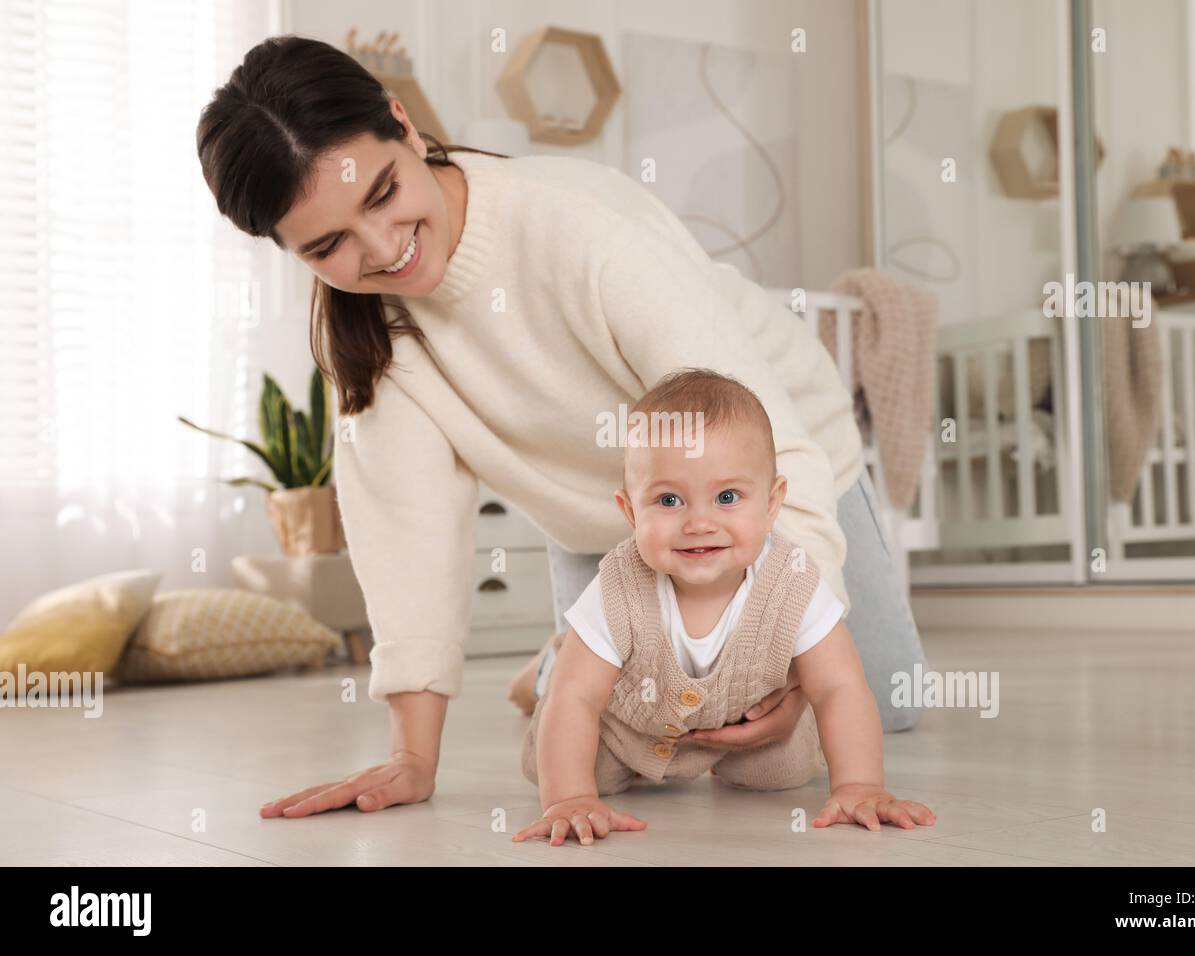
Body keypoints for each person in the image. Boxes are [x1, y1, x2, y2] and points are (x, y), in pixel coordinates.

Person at [194, 35, 928, 819]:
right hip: (607, 521)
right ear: (291, 252)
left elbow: (767, 436)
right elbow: (408, 537)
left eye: (382, 194)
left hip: (767, 466)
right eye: (328, 245)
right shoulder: (370, 343)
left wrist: (783, 666)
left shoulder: (582, 225)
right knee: (623, 727)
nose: (382, 250)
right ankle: (569, 659)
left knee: (878, 699)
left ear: (405, 128)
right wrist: (412, 756)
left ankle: (573, 653)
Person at [514, 370, 936, 846]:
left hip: (737, 725)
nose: (699, 523)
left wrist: (859, 785)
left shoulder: (791, 580)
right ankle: (554, 662)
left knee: (785, 768)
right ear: (630, 512)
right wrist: (569, 797)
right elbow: (578, 699)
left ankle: (739, 757)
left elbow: (839, 686)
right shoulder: (618, 587)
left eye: (728, 497)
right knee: (572, 760)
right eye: (669, 500)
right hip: (626, 729)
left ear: (773, 503)